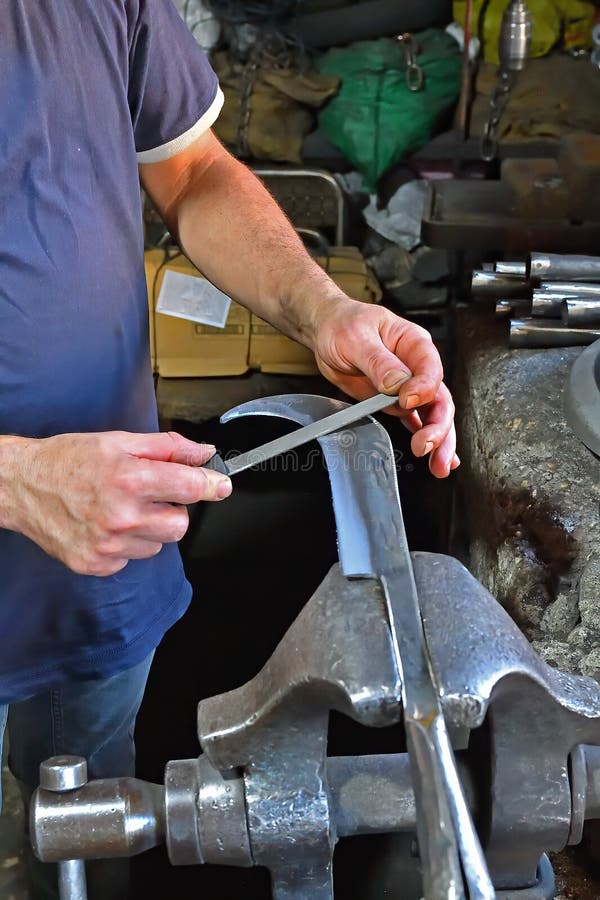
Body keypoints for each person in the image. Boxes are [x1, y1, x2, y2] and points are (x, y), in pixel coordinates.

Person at [0, 1, 458, 896]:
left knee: (88, 846)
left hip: (99, 574)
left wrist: (320, 308)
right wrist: (15, 481)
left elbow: (193, 171)